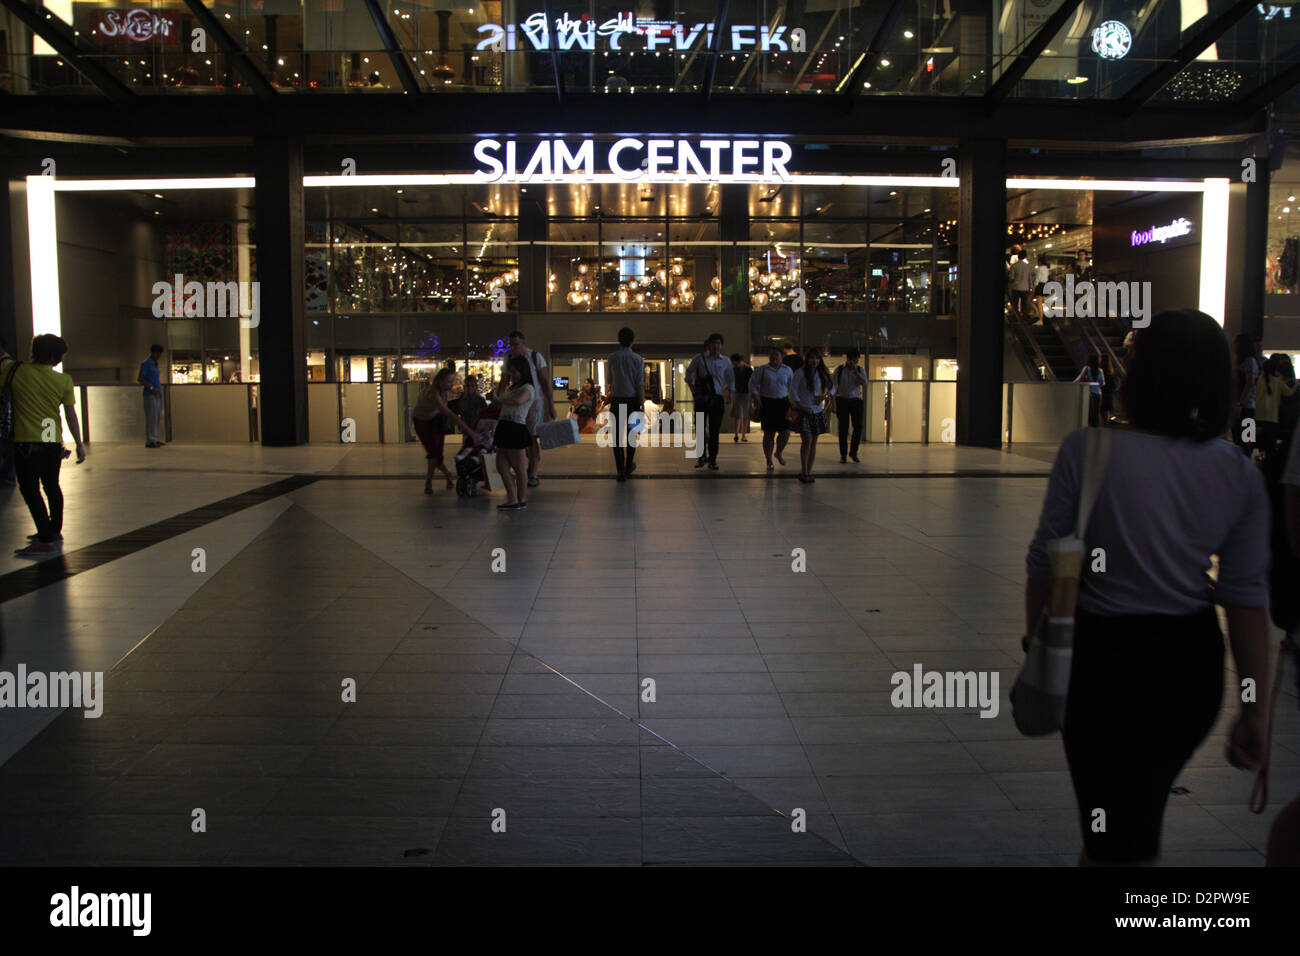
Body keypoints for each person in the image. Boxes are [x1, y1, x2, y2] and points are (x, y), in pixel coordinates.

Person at [1025, 308, 1270, 866]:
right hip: (1186, 667)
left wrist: (1037, 642)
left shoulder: (1087, 451)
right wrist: (1254, 706)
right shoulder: (1237, 472)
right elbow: (1246, 599)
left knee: (1114, 825)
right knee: (1127, 822)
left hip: (1098, 660)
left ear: (1140, 373)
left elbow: (1045, 562)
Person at [2, 335, 87, 557]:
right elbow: (70, 414)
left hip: (27, 442)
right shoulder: (63, 380)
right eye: (60, 356)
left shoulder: (16, 372)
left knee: (30, 490)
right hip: (51, 438)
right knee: (51, 486)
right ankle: (53, 530)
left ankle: (45, 538)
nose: (60, 360)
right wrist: (79, 443)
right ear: (52, 357)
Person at [412, 368, 480, 495]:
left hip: (435, 421)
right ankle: (435, 479)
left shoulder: (445, 391)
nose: (451, 384)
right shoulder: (433, 393)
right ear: (439, 381)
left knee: (436, 453)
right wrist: (470, 432)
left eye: (452, 381)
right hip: (422, 423)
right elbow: (450, 415)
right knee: (433, 453)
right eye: (449, 381)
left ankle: (439, 478)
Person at [507, 330, 555, 488]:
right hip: (518, 401)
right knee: (521, 437)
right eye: (511, 344)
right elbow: (503, 380)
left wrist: (551, 405)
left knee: (531, 437)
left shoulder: (535, 356)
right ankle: (527, 467)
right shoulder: (509, 359)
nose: (513, 348)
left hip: (534, 402)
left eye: (516, 344)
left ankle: (533, 471)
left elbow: (545, 381)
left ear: (523, 343)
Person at [493, 354, 536, 510]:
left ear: (523, 371)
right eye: (511, 372)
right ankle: (512, 498)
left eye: (515, 371)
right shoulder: (513, 388)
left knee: (518, 466)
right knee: (501, 465)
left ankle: (521, 498)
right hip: (504, 425)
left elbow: (518, 401)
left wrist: (499, 400)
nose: (513, 375)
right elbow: (506, 404)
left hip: (516, 426)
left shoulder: (528, 388)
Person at [685, 333, 733, 471]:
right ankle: (701, 457)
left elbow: (730, 380)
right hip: (702, 399)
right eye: (713, 343)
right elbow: (688, 374)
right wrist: (692, 388)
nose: (716, 346)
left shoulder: (726, 361)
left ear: (722, 346)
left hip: (717, 399)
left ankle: (712, 459)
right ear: (708, 345)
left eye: (718, 343)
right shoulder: (699, 359)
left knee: (714, 431)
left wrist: (729, 394)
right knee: (700, 429)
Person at [789, 347, 832, 483]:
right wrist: (801, 406)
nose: (814, 361)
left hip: (817, 411)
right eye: (811, 358)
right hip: (804, 411)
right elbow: (793, 391)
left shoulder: (822, 373)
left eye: (817, 358)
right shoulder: (800, 373)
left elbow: (833, 387)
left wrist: (824, 396)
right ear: (806, 359)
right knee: (807, 440)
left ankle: (808, 470)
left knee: (813, 441)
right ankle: (804, 470)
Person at [608, 327, 646, 482]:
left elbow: (610, 381)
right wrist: (642, 404)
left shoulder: (611, 358)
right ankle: (629, 465)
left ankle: (620, 471)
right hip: (632, 401)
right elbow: (640, 384)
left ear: (619, 340)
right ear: (633, 341)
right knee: (631, 435)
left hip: (616, 400)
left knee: (617, 438)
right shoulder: (638, 359)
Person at [749, 344, 794, 472]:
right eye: (771, 355)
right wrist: (756, 398)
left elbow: (792, 387)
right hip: (767, 403)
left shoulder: (788, 370)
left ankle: (778, 452)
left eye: (776, 355)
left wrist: (793, 403)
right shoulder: (762, 369)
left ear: (782, 356)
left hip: (783, 403)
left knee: (785, 432)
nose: (774, 357)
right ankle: (768, 459)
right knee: (769, 434)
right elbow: (752, 384)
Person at [1254, 353, 1296, 464]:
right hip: (1272, 419)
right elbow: (1290, 393)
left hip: (1257, 416)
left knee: (1250, 440)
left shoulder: (1258, 380)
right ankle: (1267, 464)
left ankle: (1255, 457)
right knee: (1270, 446)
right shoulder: (1278, 382)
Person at [832, 348, 867, 463]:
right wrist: (833, 403)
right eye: (851, 360)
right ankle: (843, 454)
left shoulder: (860, 369)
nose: (853, 362)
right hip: (842, 400)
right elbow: (834, 387)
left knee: (858, 427)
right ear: (847, 359)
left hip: (856, 400)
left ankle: (853, 452)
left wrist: (855, 372)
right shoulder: (840, 369)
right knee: (843, 428)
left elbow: (864, 383)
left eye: (856, 360)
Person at [1233, 333, 1260, 454]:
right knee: (1242, 439)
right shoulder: (1243, 361)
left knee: (1245, 441)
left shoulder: (1249, 361)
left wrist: (1240, 403)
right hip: (1244, 406)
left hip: (1247, 407)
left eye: (1236, 343)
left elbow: (1250, 383)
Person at [137, 344, 165, 448]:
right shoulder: (146, 363)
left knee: (157, 417)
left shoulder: (155, 364)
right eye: (157, 353)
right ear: (153, 352)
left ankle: (154, 438)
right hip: (149, 394)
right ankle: (150, 440)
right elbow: (140, 378)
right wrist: (151, 388)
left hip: (157, 393)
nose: (158, 355)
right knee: (151, 417)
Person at [1074, 353, 1105, 427]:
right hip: (1098, 393)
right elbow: (1103, 383)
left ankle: (1090, 426)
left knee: (1089, 412)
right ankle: (1096, 427)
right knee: (1096, 412)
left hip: (1089, 392)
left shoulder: (1087, 368)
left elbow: (1079, 379)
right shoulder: (1100, 370)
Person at [1007, 248, 1034, 322]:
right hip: (1025, 288)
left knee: (1015, 304)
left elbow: (1011, 278)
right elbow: (1030, 278)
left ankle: (1016, 318)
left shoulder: (1014, 266)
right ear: (1025, 256)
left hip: (1016, 287)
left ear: (1018, 256)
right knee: (1024, 304)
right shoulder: (1028, 266)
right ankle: (1024, 319)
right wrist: (1031, 287)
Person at [731, 353, 752, 443]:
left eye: (735, 363)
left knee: (745, 415)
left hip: (746, 393)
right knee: (738, 415)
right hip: (738, 393)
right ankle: (737, 434)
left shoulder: (748, 370)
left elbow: (752, 382)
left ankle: (743, 434)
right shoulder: (734, 369)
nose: (734, 365)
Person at [1099, 354, 1116, 425]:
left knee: (1101, 412)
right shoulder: (1110, 373)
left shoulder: (1099, 372)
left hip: (1101, 393)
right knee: (1106, 413)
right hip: (1108, 393)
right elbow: (1113, 385)